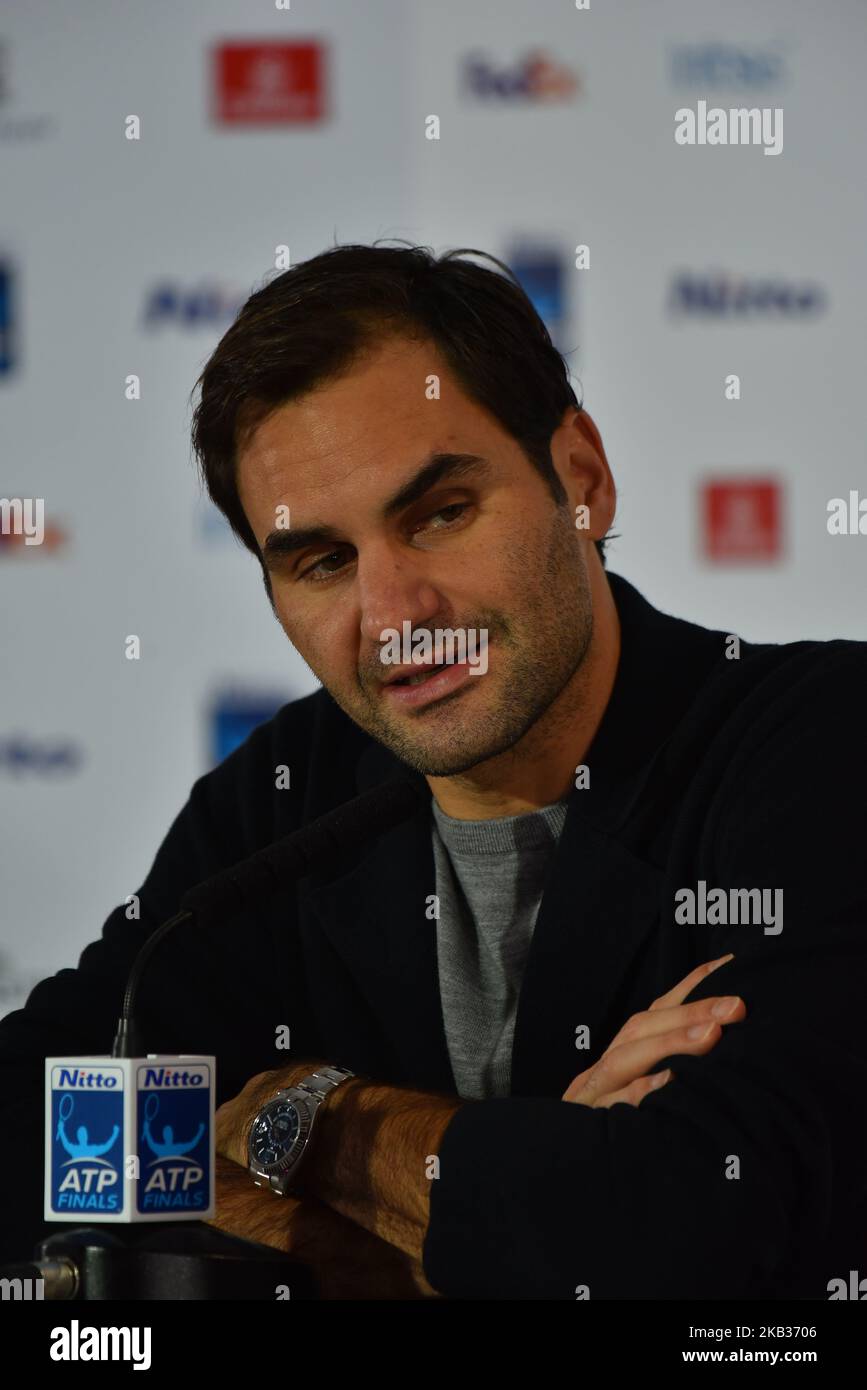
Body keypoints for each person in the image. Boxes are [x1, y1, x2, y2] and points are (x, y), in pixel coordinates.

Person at [1, 243, 865, 1300]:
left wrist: (301, 1115)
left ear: (580, 479)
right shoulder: (289, 791)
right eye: (323, 561)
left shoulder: (820, 745)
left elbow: (674, 1230)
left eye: (441, 513)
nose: (397, 615)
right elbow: (33, 1124)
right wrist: (491, 1199)